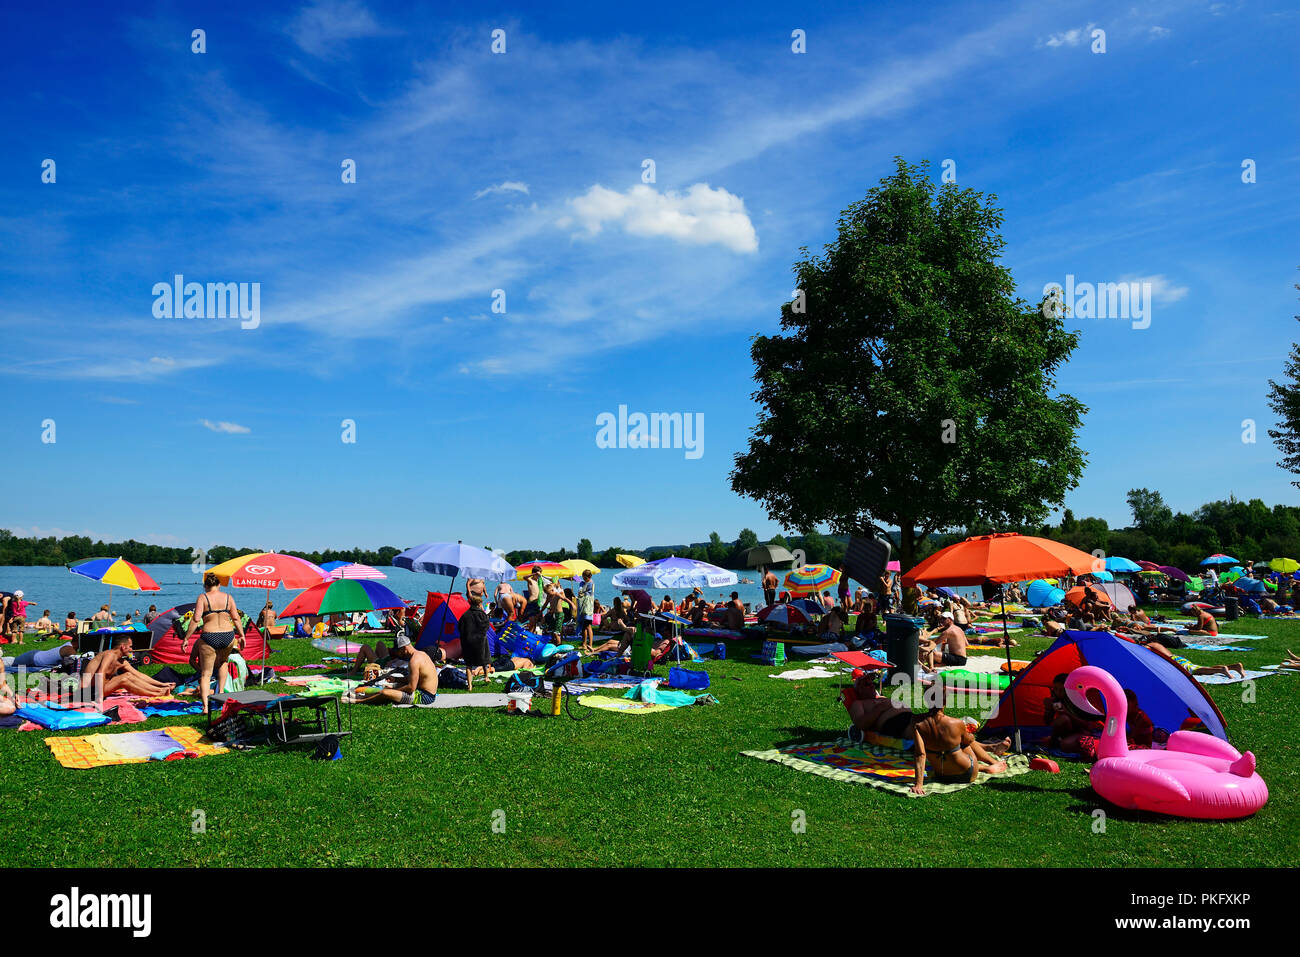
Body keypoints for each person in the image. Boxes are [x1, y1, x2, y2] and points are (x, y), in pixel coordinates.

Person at [181, 571, 244, 714]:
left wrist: (186, 638)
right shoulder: (228, 597)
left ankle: (205, 707)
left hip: (210, 636)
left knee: (206, 674)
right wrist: (242, 635)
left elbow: (196, 619)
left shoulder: (203, 598)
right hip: (228, 636)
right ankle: (221, 696)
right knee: (223, 663)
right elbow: (236, 618)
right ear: (219, 585)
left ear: (205, 586)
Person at [911, 705, 1009, 794]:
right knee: (964, 742)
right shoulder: (956, 723)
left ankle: (989, 753)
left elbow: (920, 754)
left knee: (954, 745)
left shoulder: (917, 722)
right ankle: (992, 760)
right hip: (968, 775)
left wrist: (919, 784)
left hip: (941, 776)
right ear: (945, 702)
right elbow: (969, 740)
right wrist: (965, 732)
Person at [347, 635, 438, 707]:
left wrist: (394, 690)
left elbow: (411, 688)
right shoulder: (421, 654)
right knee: (390, 688)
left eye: (398, 651)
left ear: (404, 648)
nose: (397, 654)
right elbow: (415, 680)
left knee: (385, 692)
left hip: (424, 697)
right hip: (426, 692)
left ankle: (358, 701)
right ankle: (363, 696)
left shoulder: (414, 661)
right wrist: (396, 679)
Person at [80, 636, 175, 699]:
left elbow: (138, 675)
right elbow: (100, 672)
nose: (132, 649)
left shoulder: (122, 661)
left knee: (128, 675)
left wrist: (161, 684)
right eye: (130, 647)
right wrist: (99, 698)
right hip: (87, 692)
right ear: (123, 647)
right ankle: (158, 693)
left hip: (98, 689)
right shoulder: (110, 654)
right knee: (124, 679)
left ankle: (160, 690)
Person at [1143, 642, 1244, 679]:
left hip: (1175, 661)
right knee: (1197, 667)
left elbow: (1145, 650)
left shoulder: (1149, 645)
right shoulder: (1158, 644)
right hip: (1178, 657)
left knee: (1197, 670)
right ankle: (1234, 666)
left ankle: (1221, 670)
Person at [458, 595, 491, 691]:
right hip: (480, 640)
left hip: (468, 641)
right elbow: (486, 626)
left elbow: (460, 628)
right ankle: (486, 677)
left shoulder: (465, 615)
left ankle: (469, 685)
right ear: (479, 603)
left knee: (469, 664)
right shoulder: (482, 614)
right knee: (484, 660)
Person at [575, 570, 597, 654]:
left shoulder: (591, 583)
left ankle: (590, 645)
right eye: (583, 577)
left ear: (589, 577)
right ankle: (584, 644)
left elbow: (588, 593)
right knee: (584, 626)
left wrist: (582, 592)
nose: (584, 579)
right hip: (582, 606)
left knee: (588, 626)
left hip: (588, 606)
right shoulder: (583, 583)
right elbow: (580, 591)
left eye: (585, 577)